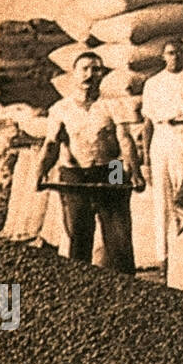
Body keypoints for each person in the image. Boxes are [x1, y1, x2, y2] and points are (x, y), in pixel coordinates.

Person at [37, 52, 144, 273]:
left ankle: (126, 285)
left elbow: (125, 140)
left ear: (102, 75)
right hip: (76, 174)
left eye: (96, 69)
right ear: (74, 74)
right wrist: (40, 171)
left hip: (112, 168)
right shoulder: (61, 109)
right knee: (79, 236)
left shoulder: (112, 105)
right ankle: (81, 286)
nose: (90, 74)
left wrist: (135, 172)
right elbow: (51, 144)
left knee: (119, 237)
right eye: (84, 69)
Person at [139, 39, 183, 270]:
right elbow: (147, 124)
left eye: (178, 53)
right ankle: (163, 257)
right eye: (170, 53)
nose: (174, 57)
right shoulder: (152, 83)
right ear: (163, 56)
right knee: (161, 199)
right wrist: (146, 161)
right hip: (162, 135)